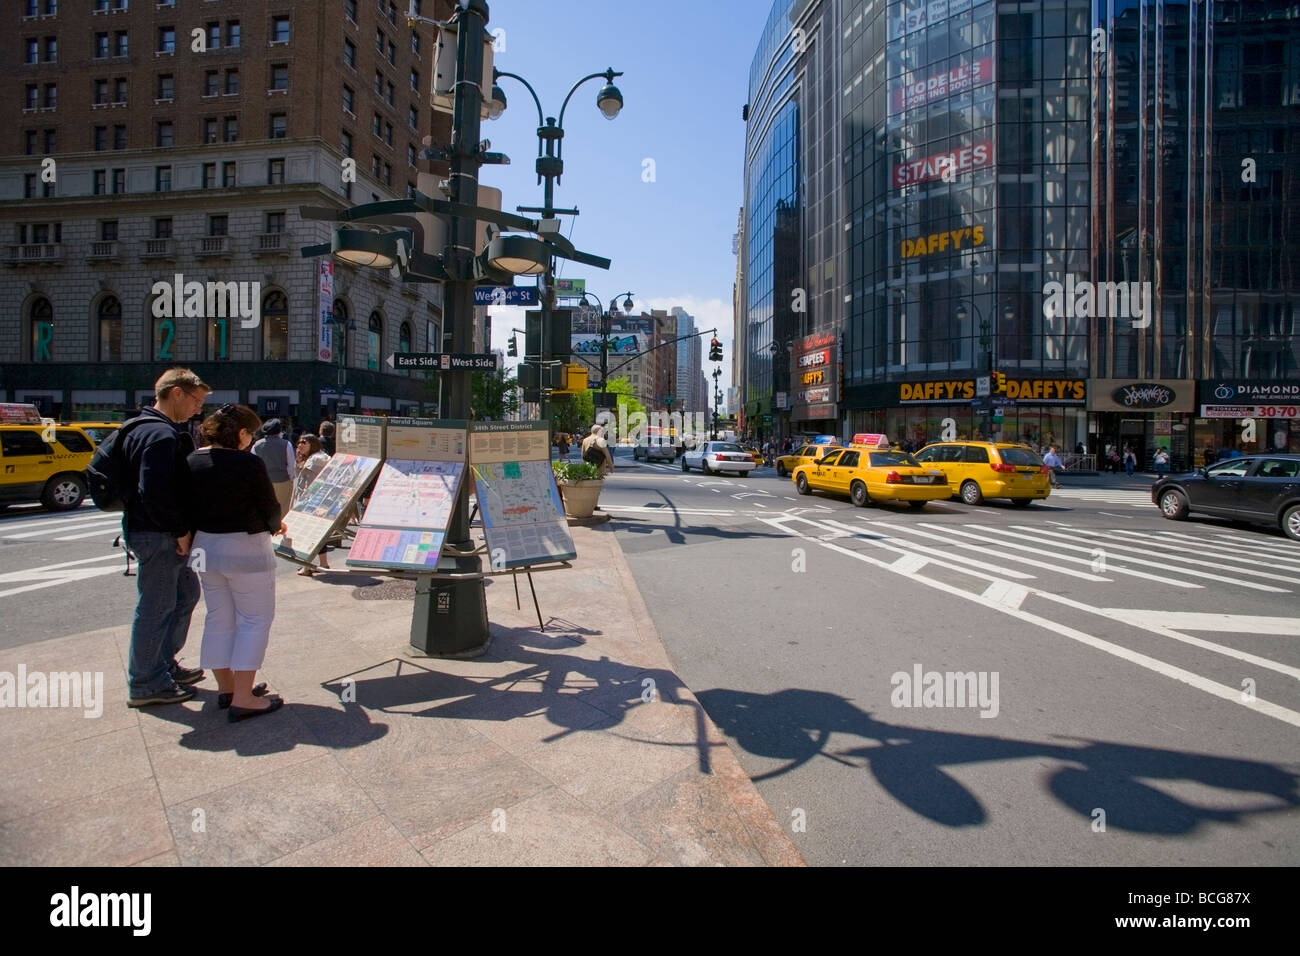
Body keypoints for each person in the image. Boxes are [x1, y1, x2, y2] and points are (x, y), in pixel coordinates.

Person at [187, 404, 286, 722]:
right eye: (250, 434)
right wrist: (276, 524)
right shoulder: (248, 463)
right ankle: (244, 696)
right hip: (245, 548)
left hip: (205, 547)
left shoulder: (193, 460)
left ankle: (227, 688)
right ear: (241, 433)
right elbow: (269, 507)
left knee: (218, 618)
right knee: (254, 620)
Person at [121, 368, 211, 706]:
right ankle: (146, 682)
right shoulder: (159, 435)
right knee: (157, 606)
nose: (198, 409)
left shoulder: (142, 428)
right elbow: (154, 491)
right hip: (159, 534)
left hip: (155, 530)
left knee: (185, 594)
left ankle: (161, 665)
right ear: (176, 393)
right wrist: (179, 532)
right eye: (196, 400)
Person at [292, 434, 333, 575]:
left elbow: (308, 483)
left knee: (308, 535)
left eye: (304, 442)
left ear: (313, 444)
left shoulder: (317, 459)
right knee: (317, 534)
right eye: (298, 443)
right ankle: (323, 563)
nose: (300, 445)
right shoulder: (314, 457)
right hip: (316, 502)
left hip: (311, 503)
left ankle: (307, 565)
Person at [253, 418, 296, 518]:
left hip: (264, 481)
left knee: (266, 506)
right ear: (279, 430)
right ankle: (281, 528)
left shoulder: (257, 445)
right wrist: (291, 478)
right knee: (283, 507)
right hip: (283, 480)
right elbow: (291, 465)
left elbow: (254, 465)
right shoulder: (286, 444)